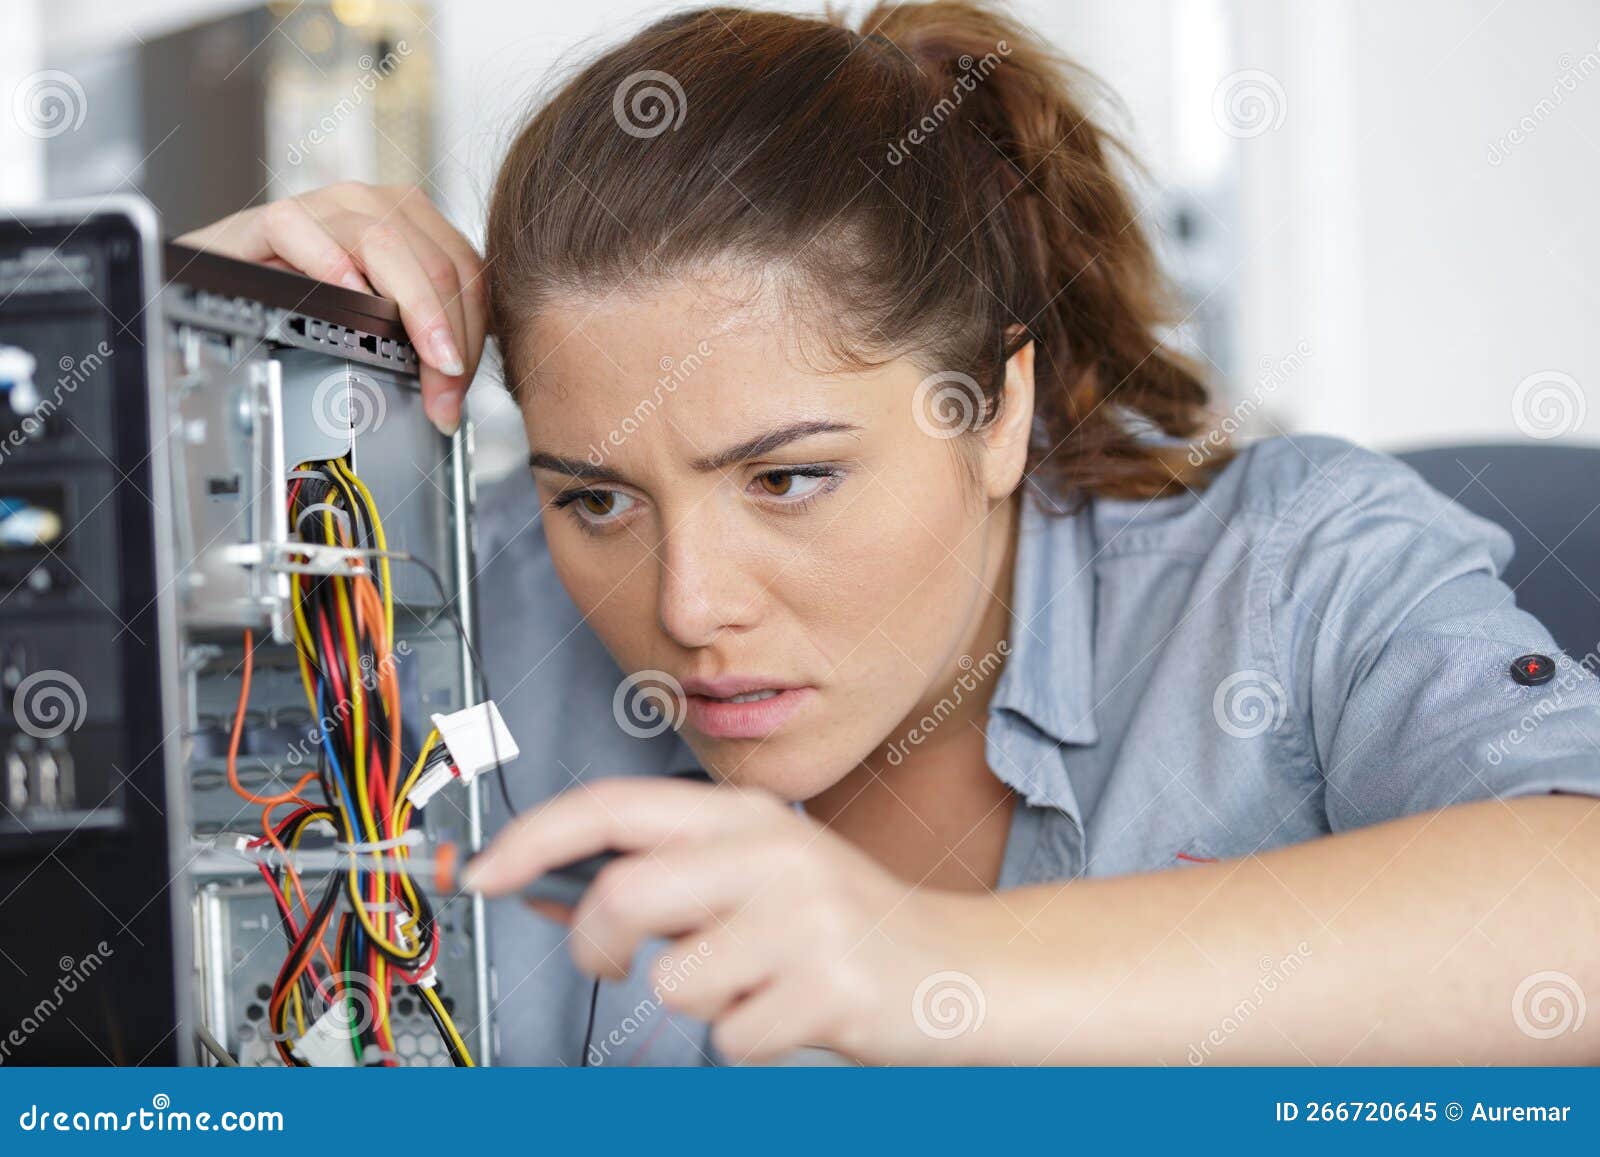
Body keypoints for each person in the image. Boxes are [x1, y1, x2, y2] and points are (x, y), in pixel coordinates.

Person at [180, 1, 1600, 1066]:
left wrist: (930, 962)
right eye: (596, 497)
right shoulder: (451, 599)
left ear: (995, 410)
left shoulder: (1290, 574)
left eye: (789, 478)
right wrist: (154, 411)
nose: (690, 604)